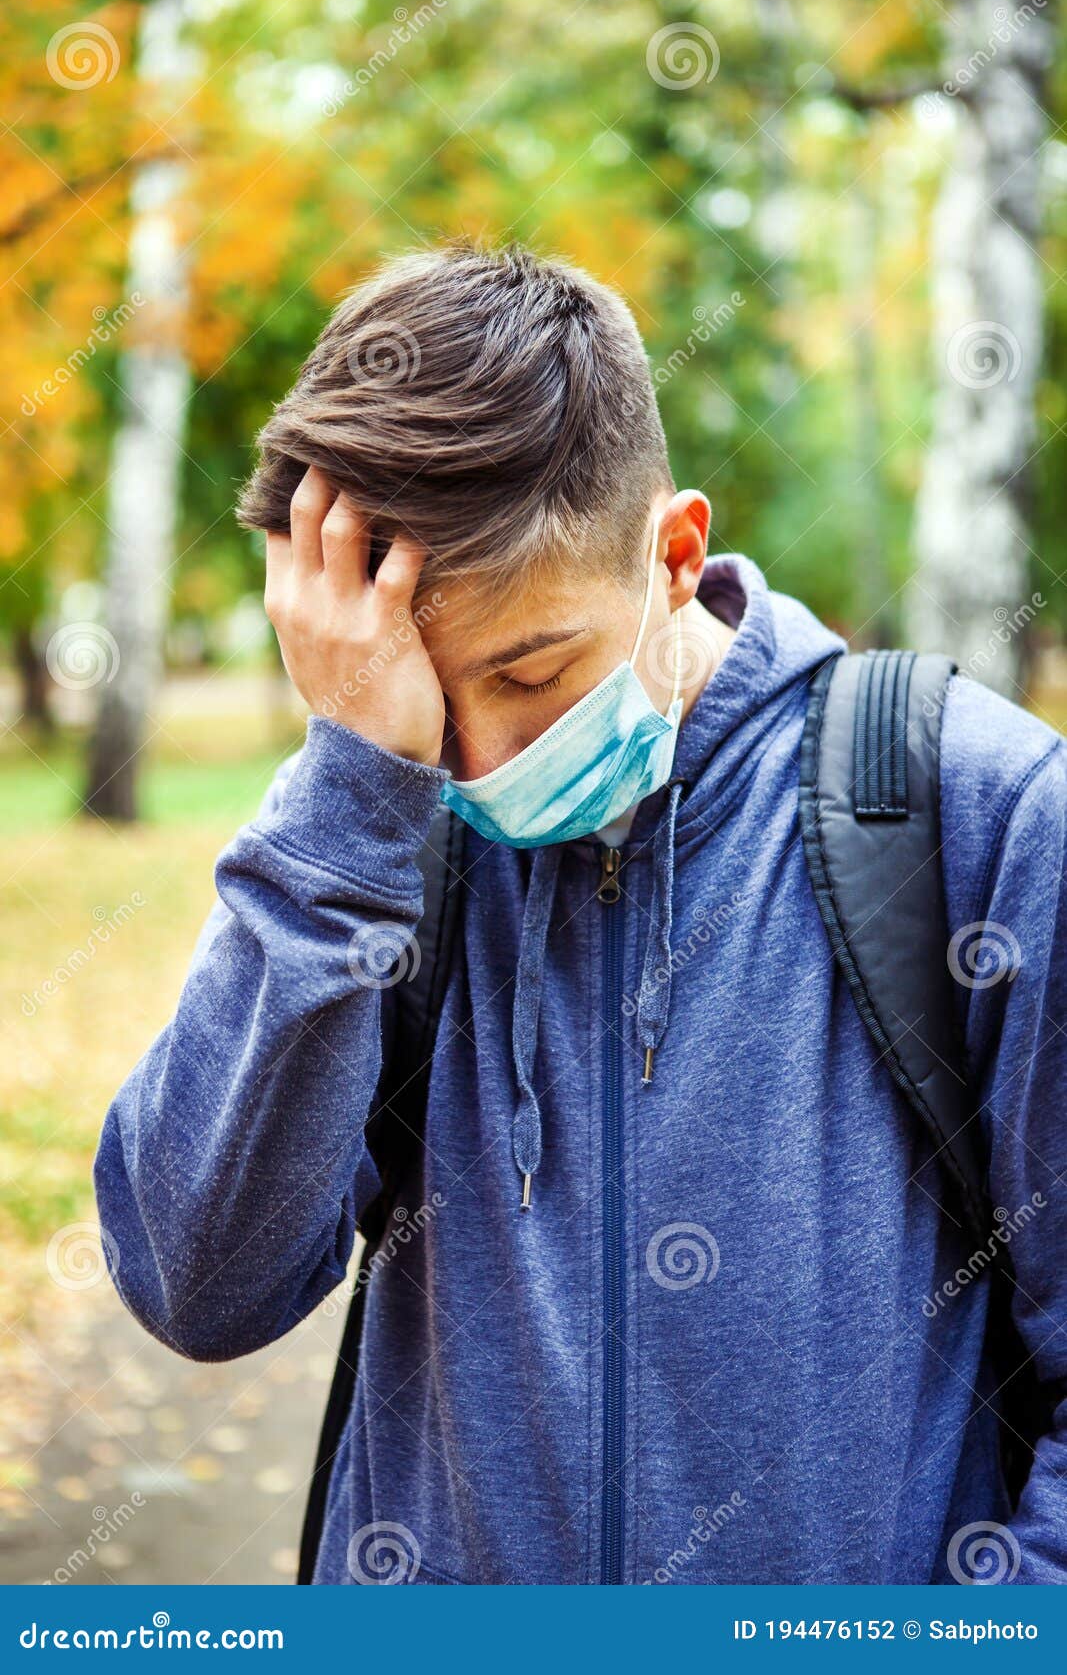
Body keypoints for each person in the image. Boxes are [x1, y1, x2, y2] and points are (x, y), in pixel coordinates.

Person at [94, 241, 1067, 1585]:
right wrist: (353, 793)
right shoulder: (382, 815)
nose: (482, 767)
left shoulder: (982, 812)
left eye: (532, 674)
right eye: (432, 702)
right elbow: (199, 1286)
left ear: (676, 551)